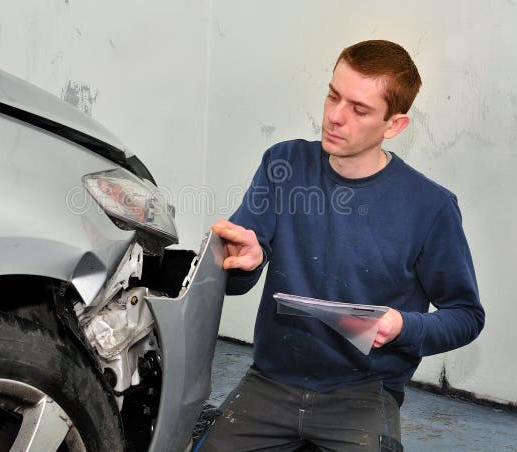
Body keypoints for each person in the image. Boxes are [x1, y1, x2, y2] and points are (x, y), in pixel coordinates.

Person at [201, 40, 485, 451]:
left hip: (363, 393)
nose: (335, 116)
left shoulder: (431, 208)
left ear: (394, 126)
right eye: (333, 95)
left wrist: (404, 327)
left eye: (359, 109)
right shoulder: (284, 166)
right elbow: (234, 279)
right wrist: (245, 262)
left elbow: (467, 316)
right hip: (271, 381)